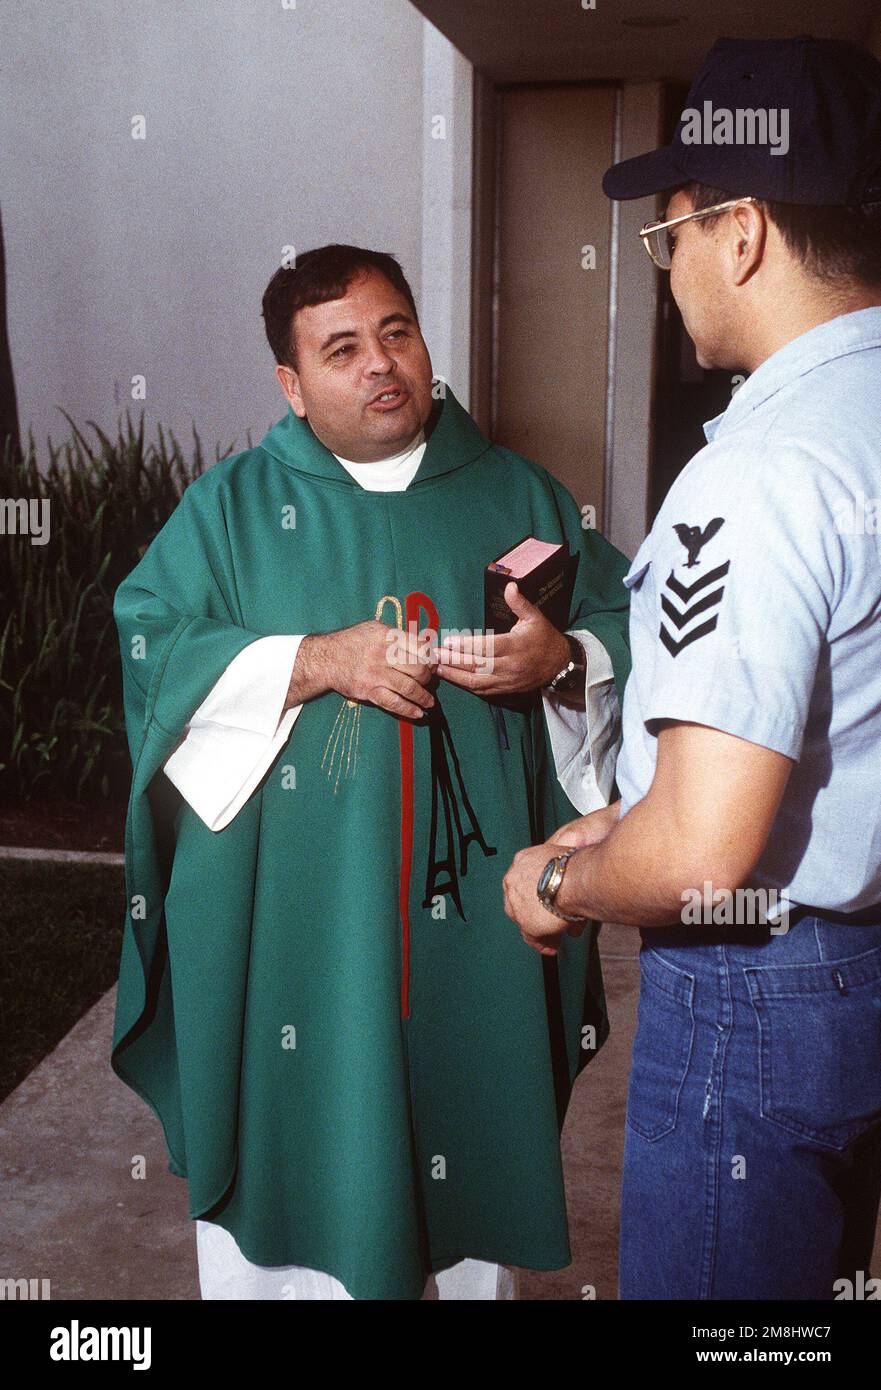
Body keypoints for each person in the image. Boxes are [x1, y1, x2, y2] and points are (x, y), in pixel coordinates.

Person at [110, 243, 632, 1300]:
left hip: (478, 927)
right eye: (341, 348)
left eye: (395, 332)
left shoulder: (518, 492)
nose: (380, 365)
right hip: (291, 936)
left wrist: (563, 660)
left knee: (467, 1203)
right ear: (291, 386)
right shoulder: (231, 509)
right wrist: (311, 660)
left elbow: (630, 630)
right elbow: (149, 643)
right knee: (287, 1209)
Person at [502, 34, 881, 1300]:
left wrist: (563, 872)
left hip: (756, 992)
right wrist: (643, 806)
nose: (664, 273)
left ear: (742, 232)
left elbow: (704, 858)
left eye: (667, 237)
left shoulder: (761, 469)